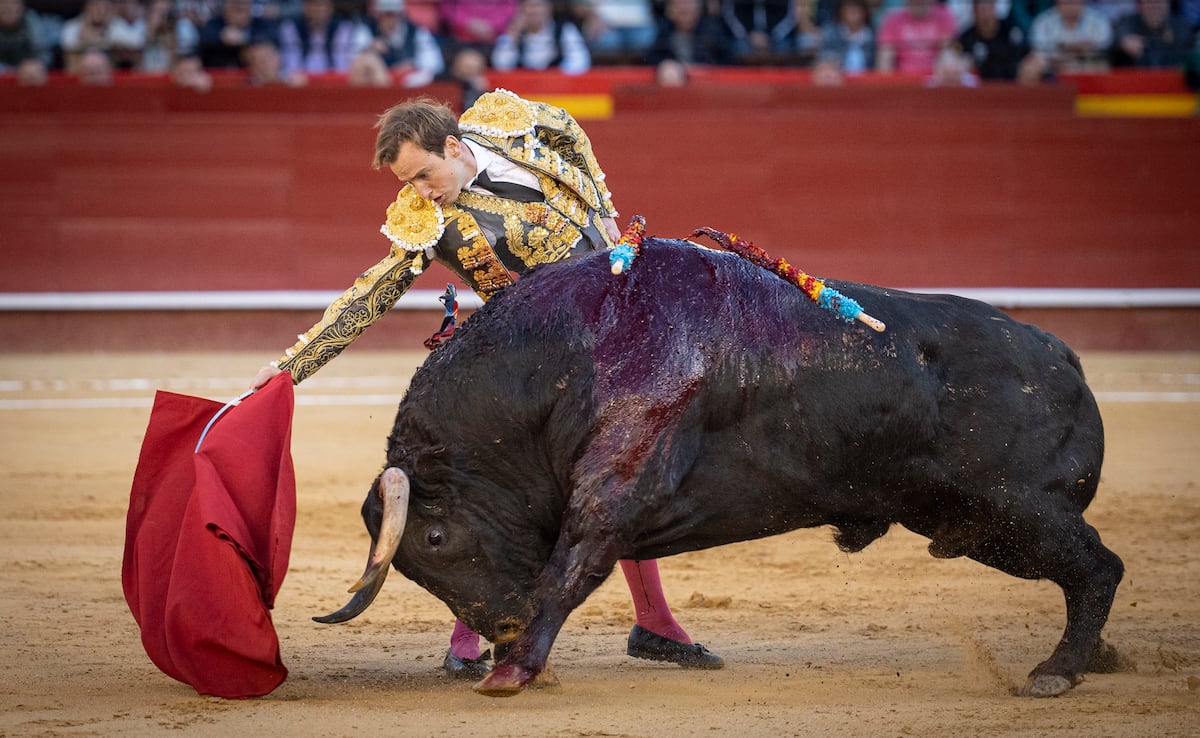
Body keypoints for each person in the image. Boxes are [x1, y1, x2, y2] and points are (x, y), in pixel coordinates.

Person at [249, 91, 724, 679]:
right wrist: (292, 366)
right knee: (533, 493)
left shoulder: (510, 125)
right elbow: (369, 295)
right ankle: (471, 639)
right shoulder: (426, 220)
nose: (420, 191)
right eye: (407, 182)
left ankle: (653, 625)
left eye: (424, 173)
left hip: (616, 340)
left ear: (453, 145)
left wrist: (604, 214)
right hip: (533, 366)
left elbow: (571, 131)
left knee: (630, 473)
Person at [351, 0, 445, 87]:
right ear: (377, 15)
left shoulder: (416, 31)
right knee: (368, 61)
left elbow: (434, 64)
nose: (390, 19)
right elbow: (349, 61)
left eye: (394, 15)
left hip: (406, 82)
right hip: (373, 79)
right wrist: (370, 48)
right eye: (386, 15)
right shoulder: (366, 29)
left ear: (401, 15)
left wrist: (412, 65)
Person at [277, 0, 373, 84]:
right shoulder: (290, 28)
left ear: (330, 7)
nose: (319, 9)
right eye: (314, 4)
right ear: (306, 7)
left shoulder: (345, 29)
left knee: (368, 60)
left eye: (322, 5)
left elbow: (349, 66)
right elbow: (289, 64)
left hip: (338, 83)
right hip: (298, 84)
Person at [491, 0, 592, 73]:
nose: (534, 11)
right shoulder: (513, 32)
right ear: (521, 10)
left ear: (548, 8)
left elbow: (580, 61)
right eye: (529, 6)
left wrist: (554, 76)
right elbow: (501, 65)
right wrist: (512, 35)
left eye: (538, 5)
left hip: (557, 90)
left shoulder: (564, 29)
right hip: (522, 92)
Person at [1023, 0, 1113, 78]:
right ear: (1058, 3)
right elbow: (1040, 50)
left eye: (1074, 2)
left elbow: (1102, 48)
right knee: (1030, 67)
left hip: (1086, 62)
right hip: (1054, 63)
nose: (1071, 6)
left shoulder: (1098, 20)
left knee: (1100, 65)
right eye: (1067, 2)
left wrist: (1064, 47)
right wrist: (1076, 49)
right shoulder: (1043, 21)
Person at [644, 0, 735, 69]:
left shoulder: (713, 31)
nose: (684, 8)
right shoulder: (662, 32)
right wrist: (665, 64)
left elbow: (727, 62)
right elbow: (651, 59)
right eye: (678, 4)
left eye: (688, 3)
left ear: (698, 9)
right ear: (669, 11)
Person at [874, 0, 959, 74]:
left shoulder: (944, 17)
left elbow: (948, 54)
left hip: (935, 80)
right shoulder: (893, 20)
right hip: (903, 80)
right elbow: (885, 62)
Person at [197, 0, 282, 72]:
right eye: (235, 8)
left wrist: (244, 38)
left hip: (254, 77)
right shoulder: (214, 24)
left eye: (243, 8)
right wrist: (222, 37)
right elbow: (203, 39)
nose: (239, 14)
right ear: (226, 7)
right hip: (219, 74)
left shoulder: (262, 24)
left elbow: (273, 38)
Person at [955, 0, 1030, 79]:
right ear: (974, 11)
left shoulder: (1010, 31)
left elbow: (1028, 55)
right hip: (980, 88)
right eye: (982, 9)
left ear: (994, 7)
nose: (986, 14)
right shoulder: (967, 38)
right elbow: (959, 63)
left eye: (988, 8)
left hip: (1013, 85)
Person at [1111, 0, 1195, 68]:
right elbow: (1117, 36)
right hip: (1136, 82)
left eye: (1159, 2)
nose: (1155, 7)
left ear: (1168, 4)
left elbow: (1191, 55)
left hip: (1172, 82)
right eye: (1150, 2)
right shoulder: (1128, 22)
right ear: (1140, 5)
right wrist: (1124, 41)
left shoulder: (1181, 27)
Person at [812, 0, 875, 83]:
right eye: (849, 10)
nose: (852, 14)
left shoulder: (873, 36)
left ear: (864, 12)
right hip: (838, 82)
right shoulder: (831, 34)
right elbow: (824, 59)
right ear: (842, 12)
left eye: (856, 10)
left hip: (867, 82)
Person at [0, 0, 49, 84]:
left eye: (14, 3)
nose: (8, 7)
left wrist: (37, 64)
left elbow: (44, 53)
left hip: (30, 77)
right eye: (3, 3)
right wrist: (8, 71)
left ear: (22, 6)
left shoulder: (32, 22)